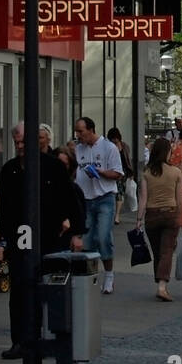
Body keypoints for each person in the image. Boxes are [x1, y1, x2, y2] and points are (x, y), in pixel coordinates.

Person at [0, 122, 85, 360]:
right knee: (20, 290)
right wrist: (4, 240)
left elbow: (70, 199)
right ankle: (20, 341)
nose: (20, 146)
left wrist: (76, 232)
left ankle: (45, 337)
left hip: (49, 237)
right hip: (19, 240)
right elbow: (4, 209)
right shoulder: (9, 170)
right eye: (16, 142)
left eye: (24, 142)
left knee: (47, 288)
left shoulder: (53, 167)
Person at [73, 116, 122, 295]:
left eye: (81, 131)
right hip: (85, 198)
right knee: (87, 240)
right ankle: (90, 277)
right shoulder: (78, 149)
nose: (78, 135)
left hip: (104, 197)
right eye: (77, 131)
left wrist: (101, 172)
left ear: (91, 129)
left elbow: (118, 173)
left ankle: (109, 274)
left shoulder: (108, 147)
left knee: (103, 237)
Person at [138, 137, 182, 301]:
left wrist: (139, 219)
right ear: (167, 152)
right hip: (170, 213)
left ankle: (160, 282)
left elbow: (143, 198)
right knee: (167, 251)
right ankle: (162, 286)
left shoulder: (147, 172)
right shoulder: (176, 172)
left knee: (158, 251)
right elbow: (180, 199)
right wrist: (181, 218)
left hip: (152, 215)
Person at [108, 127, 135, 225]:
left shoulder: (124, 146)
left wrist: (131, 173)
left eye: (115, 138)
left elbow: (128, 160)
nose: (114, 141)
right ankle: (114, 214)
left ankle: (117, 215)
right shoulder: (109, 147)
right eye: (112, 139)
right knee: (112, 192)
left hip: (122, 173)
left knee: (120, 193)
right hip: (111, 171)